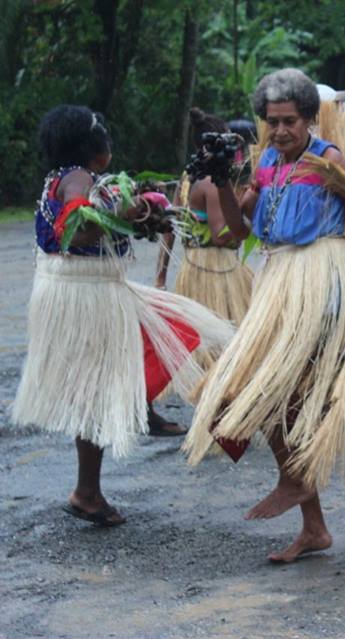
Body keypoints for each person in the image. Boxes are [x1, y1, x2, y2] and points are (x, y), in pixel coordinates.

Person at [185, 68, 345, 563]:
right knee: (254, 393)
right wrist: (224, 187)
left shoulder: (328, 160)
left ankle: (296, 483)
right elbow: (234, 233)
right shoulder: (268, 162)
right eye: (272, 121)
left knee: (277, 390)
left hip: (322, 277)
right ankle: (311, 521)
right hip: (278, 280)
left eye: (289, 121)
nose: (279, 131)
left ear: (310, 118)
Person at [12, 105, 232, 527]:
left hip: (76, 289)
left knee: (115, 373)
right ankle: (87, 492)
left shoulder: (59, 177)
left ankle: (93, 483)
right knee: (102, 387)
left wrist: (138, 217)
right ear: (98, 148)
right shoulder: (79, 180)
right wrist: (128, 219)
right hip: (85, 294)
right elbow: (78, 225)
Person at [155, 107, 254, 373]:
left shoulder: (187, 178)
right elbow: (221, 235)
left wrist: (161, 276)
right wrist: (247, 214)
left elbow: (170, 226)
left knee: (203, 334)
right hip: (217, 268)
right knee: (222, 336)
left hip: (192, 266)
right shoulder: (213, 182)